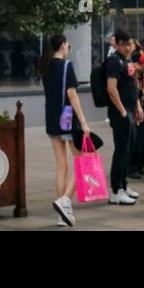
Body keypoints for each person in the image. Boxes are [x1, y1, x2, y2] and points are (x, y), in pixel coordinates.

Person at [41, 34, 93, 227]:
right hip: (68, 118)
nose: (69, 47)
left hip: (51, 118)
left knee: (61, 165)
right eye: (68, 45)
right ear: (63, 46)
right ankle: (65, 201)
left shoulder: (45, 67)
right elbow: (72, 95)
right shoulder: (66, 66)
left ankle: (61, 212)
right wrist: (84, 123)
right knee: (83, 161)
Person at [104, 30, 142, 205]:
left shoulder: (127, 60)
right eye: (125, 44)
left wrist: (138, 106)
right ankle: (116, 190)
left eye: (130, 44)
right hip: (120, 113)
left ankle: (124, 186)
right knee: (121, 150)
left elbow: (132, 84)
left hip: (130, 110)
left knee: (129, 149)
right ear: (116, 44)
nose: (128, 48)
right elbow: (111, 88)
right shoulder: (113, 61)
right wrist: (122, 111)